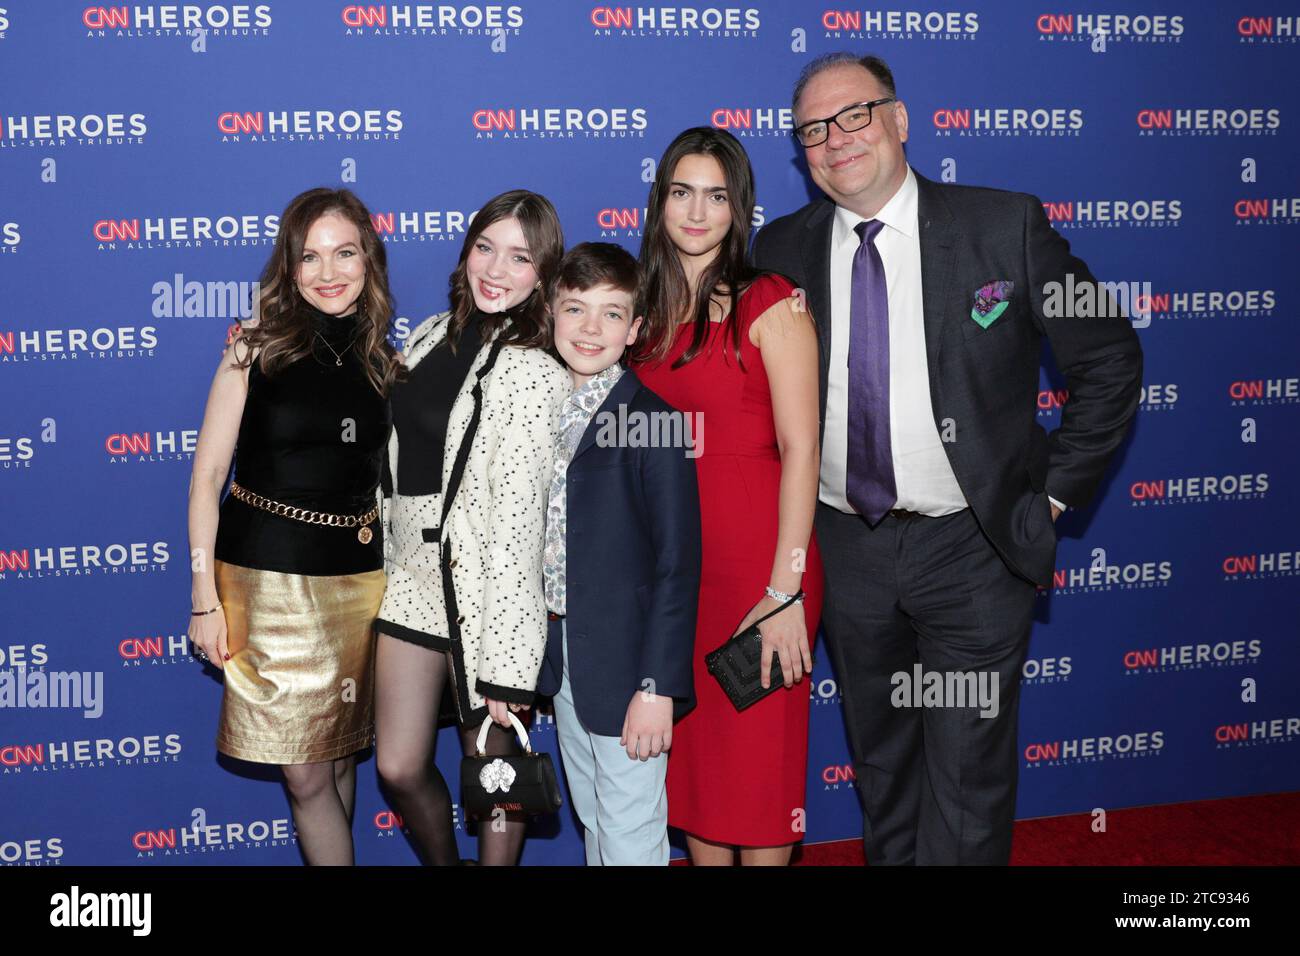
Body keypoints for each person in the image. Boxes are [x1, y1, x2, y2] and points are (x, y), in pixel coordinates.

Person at [752, 52, 1143, 865]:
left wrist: (1054, 499)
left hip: (974, 549)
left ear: (898, 120)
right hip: (845, 548)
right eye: (813, 130)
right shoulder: (778, 249)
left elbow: (1107, 359)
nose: (835, 140)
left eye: (854, 115)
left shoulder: (1005, 226)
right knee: (883, 767)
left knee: (967, 776)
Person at [188, 187, 399, 866]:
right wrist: (203, 599)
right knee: (304, 772)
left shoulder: (384, 364)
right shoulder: (253, 350)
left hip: (359, 588)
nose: (328, 271)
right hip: (263, 588)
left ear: (370, 260)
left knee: (338, 756)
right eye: (310, 256)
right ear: (290, 265)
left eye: (345, 252)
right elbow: (206, 478)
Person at [632, 128, 825, 866]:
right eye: (681, 192)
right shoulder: (643, 314)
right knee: (701, 774)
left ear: (738, 208)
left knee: (760, 778)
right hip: (679, 576)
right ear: (661, 202)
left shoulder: (770, 300)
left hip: (761, 570)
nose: (696, 211)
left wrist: (786, 588)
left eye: (716, 195)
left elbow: (804, 446)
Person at [373, 190, 571, 866]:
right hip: (410, 579)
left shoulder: (535, 371)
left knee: (493, 776)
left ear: (543, 274)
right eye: (486, 247)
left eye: (520, 257)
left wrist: (510, 668)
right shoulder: (430, 334)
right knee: (397, 765)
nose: (496, 269)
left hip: (487, 591)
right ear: (465, 251)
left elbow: (518, 529)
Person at [535, 241, 702, 866]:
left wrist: (657, 685)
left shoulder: (654, 422)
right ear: (552, 314)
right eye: (575, 309)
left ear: (635, 329)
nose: (590, 328)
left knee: (631, 825)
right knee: (595, 815)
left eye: (611, 313)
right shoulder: (542, 412)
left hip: (631, 667)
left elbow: (677, 565)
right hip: (562, 654)